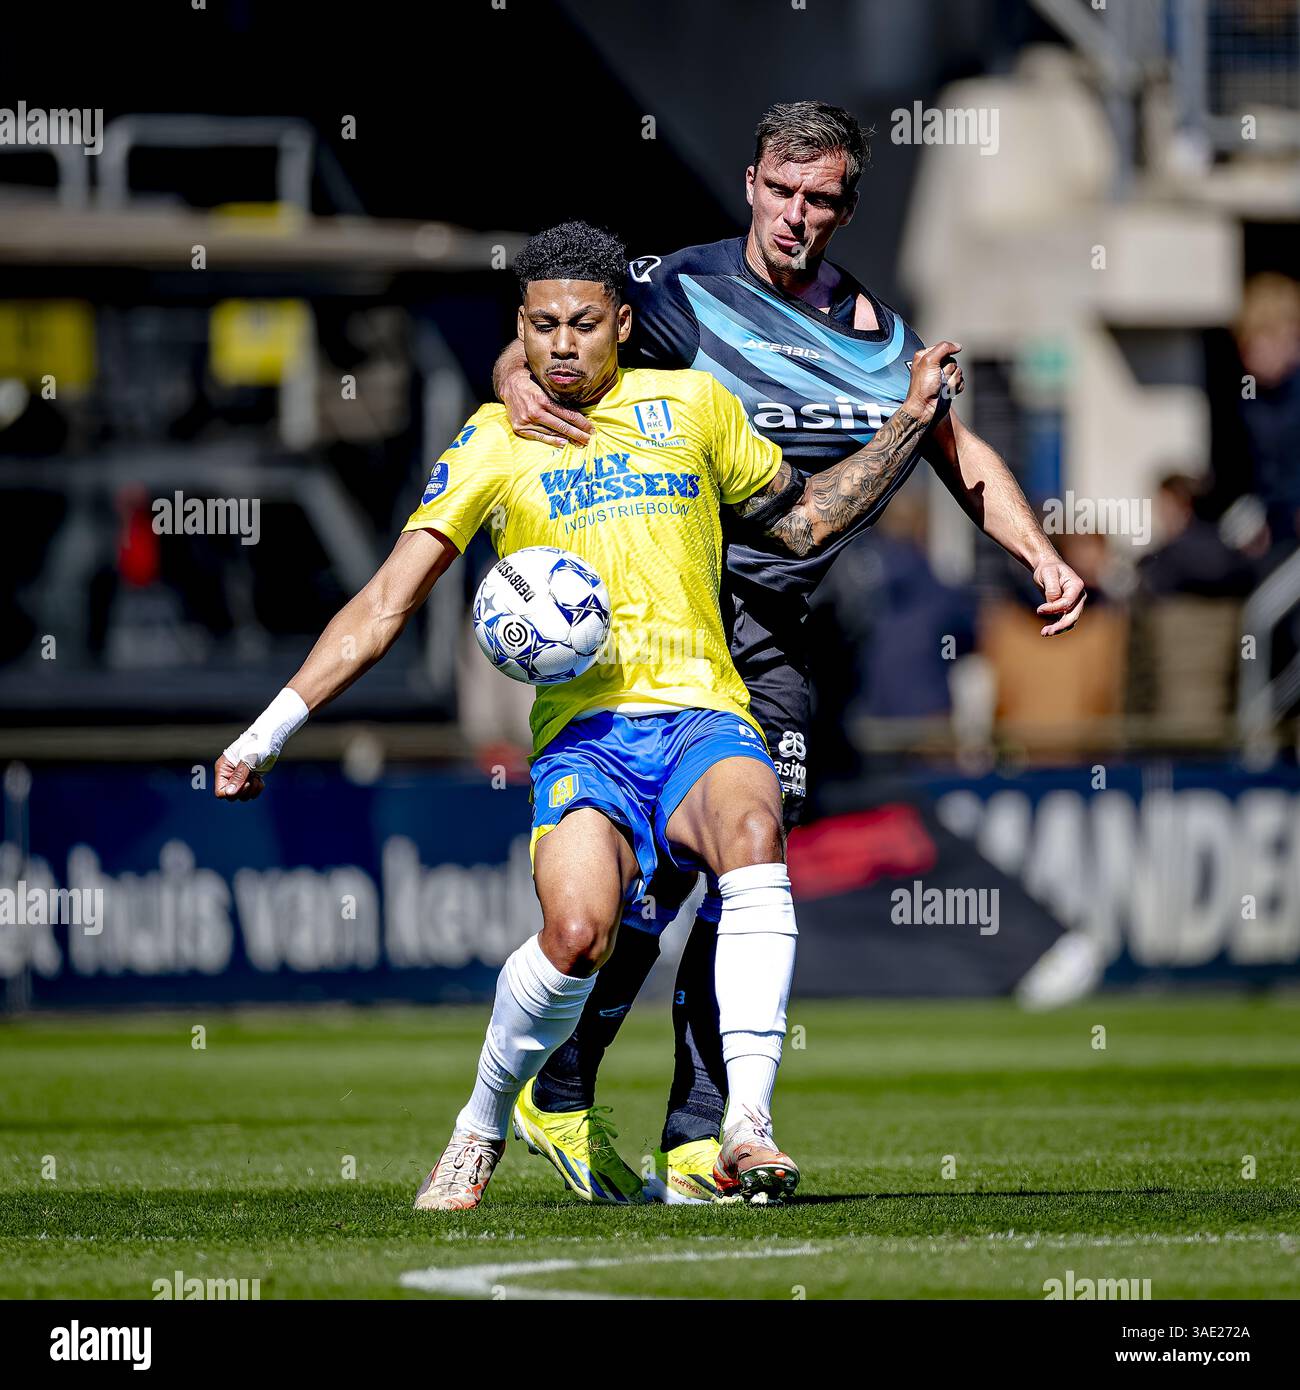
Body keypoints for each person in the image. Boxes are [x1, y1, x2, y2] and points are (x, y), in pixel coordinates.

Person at [213, 220, 961, 1209]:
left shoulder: (692, 405)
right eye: (538, 326)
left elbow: (807, 516)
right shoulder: (493, 437)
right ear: (518, 329)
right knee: (575, 934)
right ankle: (482, 1123)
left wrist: (906, 422)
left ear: (621, 320)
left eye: (580, 323)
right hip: (586, 741)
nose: (559, 344)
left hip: (701, 711)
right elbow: (384, 604)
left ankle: (745, 1125)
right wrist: (267, 730)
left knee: (753, 831)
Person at [492, 102, 1086, 1204]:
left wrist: (1038, 555)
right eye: (781, 190)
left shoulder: (883, 344)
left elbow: (964, 458)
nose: (796, 215)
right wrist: (513, 377)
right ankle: (560, 1081)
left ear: (846, 207)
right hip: (668, 625)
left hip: (773, 649)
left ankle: (699, 1135)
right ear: (753, 180)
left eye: (821, 200)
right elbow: (554, 341)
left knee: (745, 883)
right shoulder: (676, 290)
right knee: (647, 890)